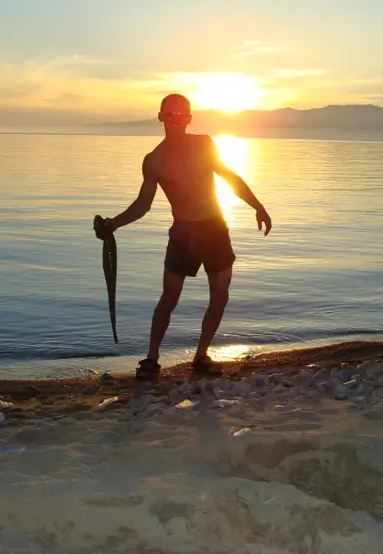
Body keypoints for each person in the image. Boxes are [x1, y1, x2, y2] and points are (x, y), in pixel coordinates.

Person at [104, 93, 272, 379]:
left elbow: (229, 176)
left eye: (181, 114)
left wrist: (257, 206)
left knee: (220, 296)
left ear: (189, 118)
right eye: (169, 114)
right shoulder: (154, 160)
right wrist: (113, 224)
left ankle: (201, 355)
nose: (175, 119)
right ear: (160, 117)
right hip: (183, 234)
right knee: (169, 298)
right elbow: (143, 204)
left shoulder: (204, 144)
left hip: (215, 229)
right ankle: (151, 359)